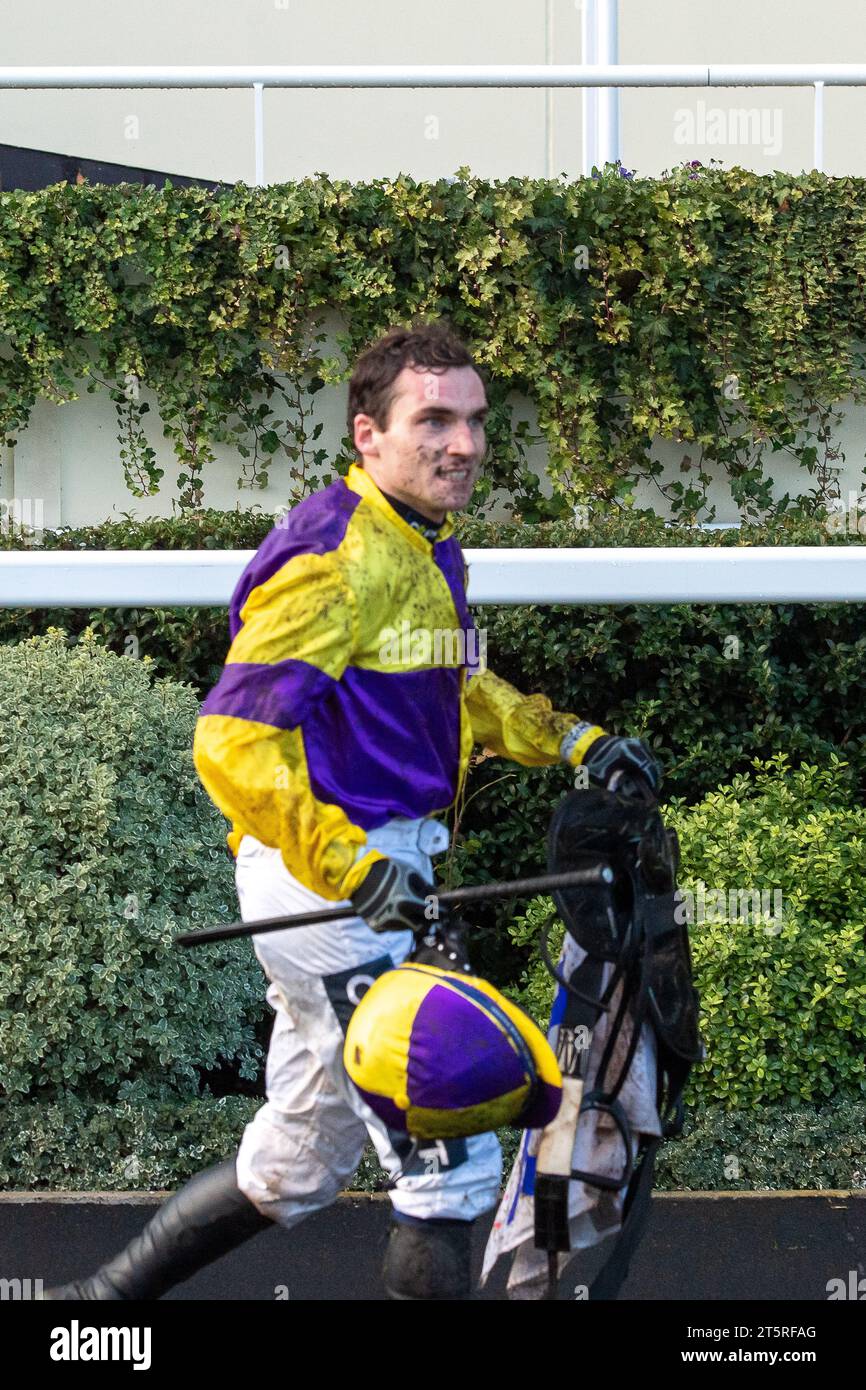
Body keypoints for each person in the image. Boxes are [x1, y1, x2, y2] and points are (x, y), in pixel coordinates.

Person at [44, 319, 660, 1301]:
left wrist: (573, 742)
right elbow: (232, 741)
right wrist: (352, 866)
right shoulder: (333, 557)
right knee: (447, 1166)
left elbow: (456, 688)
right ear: (367, 435)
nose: (462, 444)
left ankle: (90, 1308)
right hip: (327, 890)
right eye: (433, 420)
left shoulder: (422, 545)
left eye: (472, 420)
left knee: (287, 1169)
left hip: (360, 875)